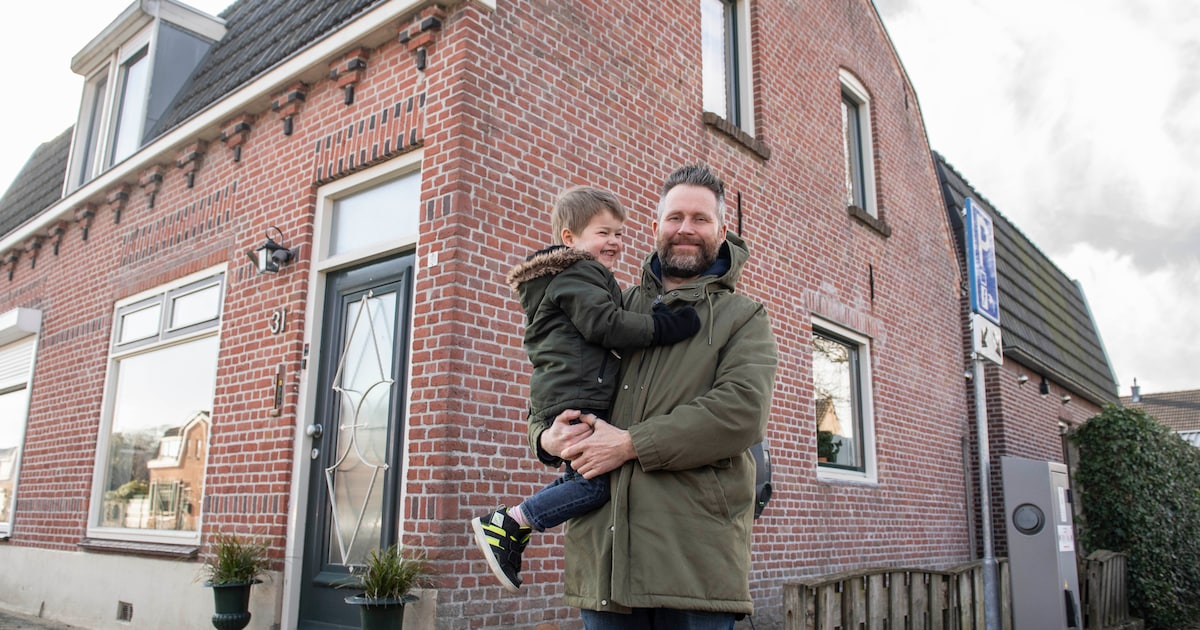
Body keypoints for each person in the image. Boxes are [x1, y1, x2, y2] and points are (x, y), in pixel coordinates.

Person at [535, 164, 779, 629]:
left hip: (694, 568)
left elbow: (741, 412)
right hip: (605, 565)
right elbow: (554, 375)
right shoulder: (614, 308)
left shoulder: (744, 317)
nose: (686, 228)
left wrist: (630, 444)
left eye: (700, 219)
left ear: (721, 230)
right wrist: (545, 437)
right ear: (656, 227)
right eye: (675, 217)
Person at [472, 186, 702, 593]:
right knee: (596, 485)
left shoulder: (569, 278)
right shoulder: (580, 273)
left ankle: (511, 524)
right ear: (570, 238)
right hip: (577, 395)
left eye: (619, 234)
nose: (614, 242)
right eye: (603, 233)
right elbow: (606, 325)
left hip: (566, 392)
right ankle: (512, 522)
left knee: (585, 476)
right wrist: (664, 325)